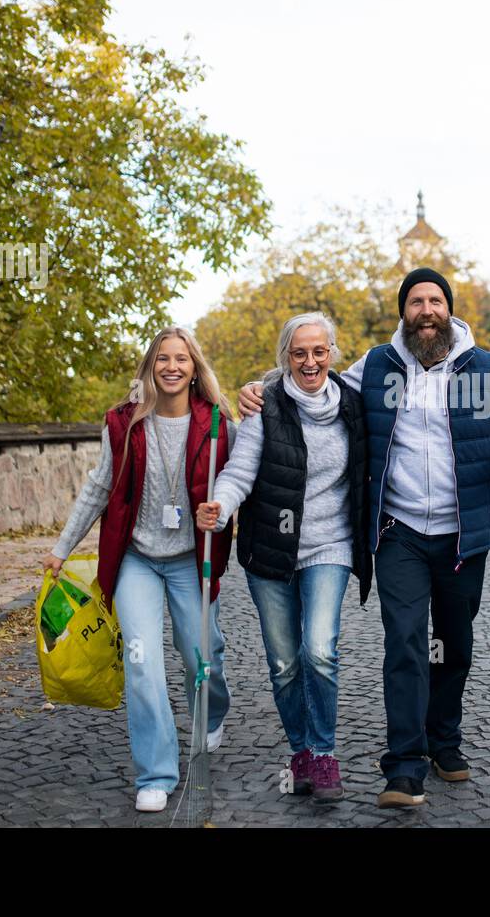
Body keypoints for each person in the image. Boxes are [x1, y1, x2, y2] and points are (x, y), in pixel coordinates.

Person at [237, 267, 490, 809]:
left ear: (448, 309)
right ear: (403, 311)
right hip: (399, 530)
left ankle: (443, 740)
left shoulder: (486, 368)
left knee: (453, 644)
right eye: (415, 302)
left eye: (435, 300)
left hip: (462, 534)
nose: (426, 310)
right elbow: (315, 385)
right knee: (404, 641)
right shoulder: (378, 365)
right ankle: (403, 767)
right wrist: (259, 388)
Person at [45, 327, 234, 813]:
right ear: (151, 367)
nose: (172, 367)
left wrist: (222, 511)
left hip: (191, 560)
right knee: (142, 659)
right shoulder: (123, 424)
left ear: (195, 368)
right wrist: (61, 548)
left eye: (182, 359)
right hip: (138, 560)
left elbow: (235, 486)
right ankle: (156, 772)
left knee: (200, 654)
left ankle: (212, 712)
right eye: (162, 359)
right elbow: (98, 487)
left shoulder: (215, 424)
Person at [195, 312, 370, 805]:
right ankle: (299, 750)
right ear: (285, 358)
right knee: (284, 663)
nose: (310, 361)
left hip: (329, 545)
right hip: (270, 549)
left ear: (332, 353)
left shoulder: (354, 405)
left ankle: (323, 752)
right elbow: (239, 472)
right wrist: (221, 505)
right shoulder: (264, 405)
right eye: (299, 353)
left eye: (319, 351)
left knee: (319, 649)